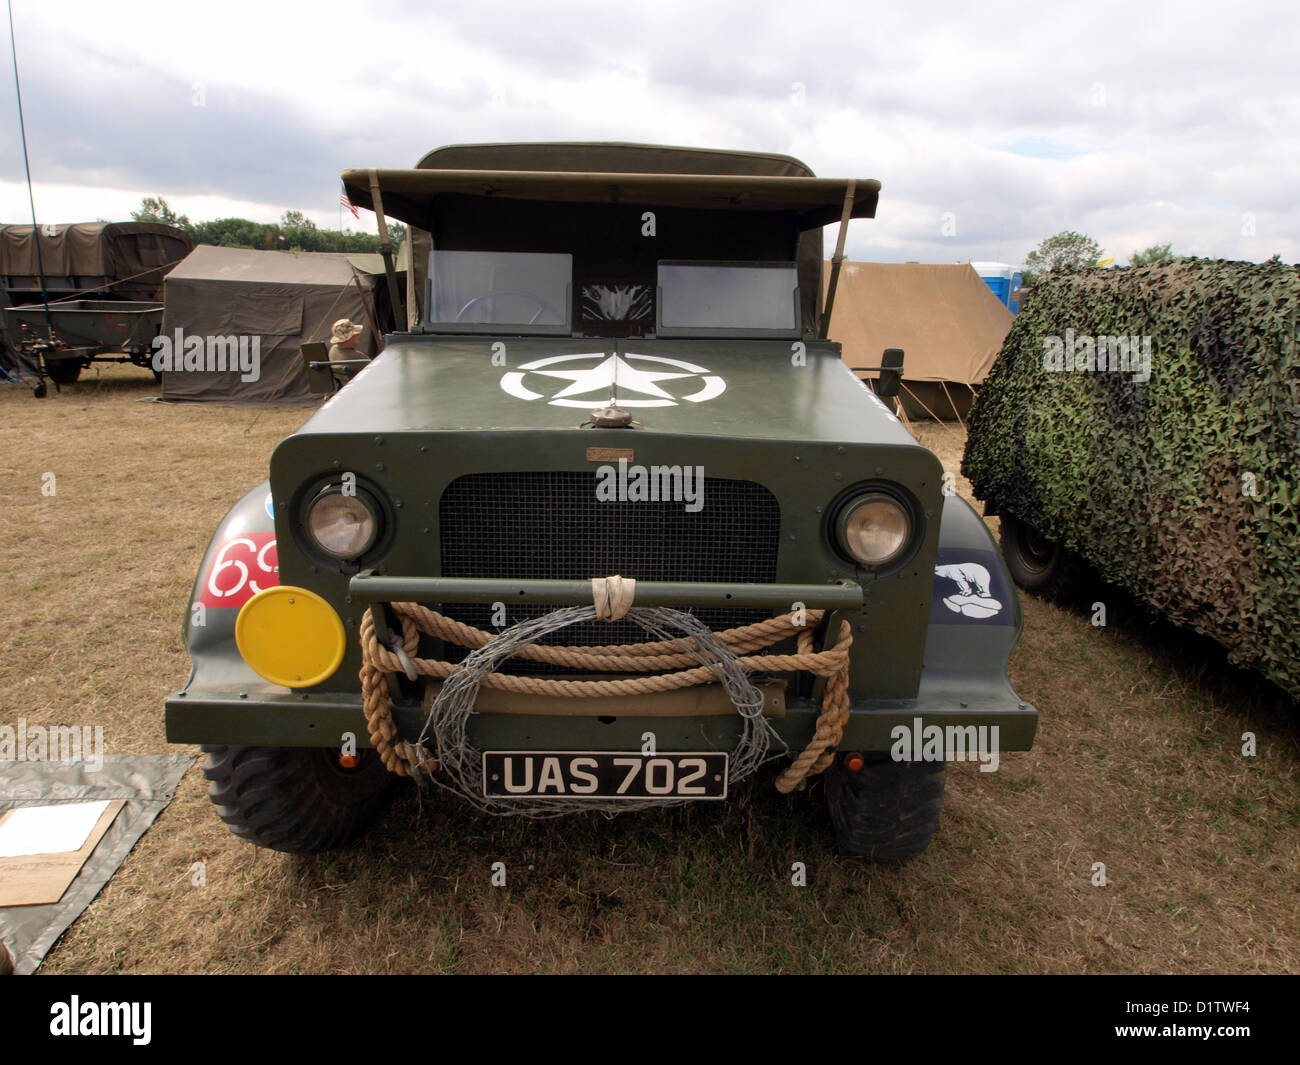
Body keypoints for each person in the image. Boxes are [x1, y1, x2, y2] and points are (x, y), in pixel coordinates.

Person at [328, 319, 365, 388]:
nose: (358, 334)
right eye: (355, 334)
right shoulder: (355, 356)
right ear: (348, 339)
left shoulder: (333, 350)